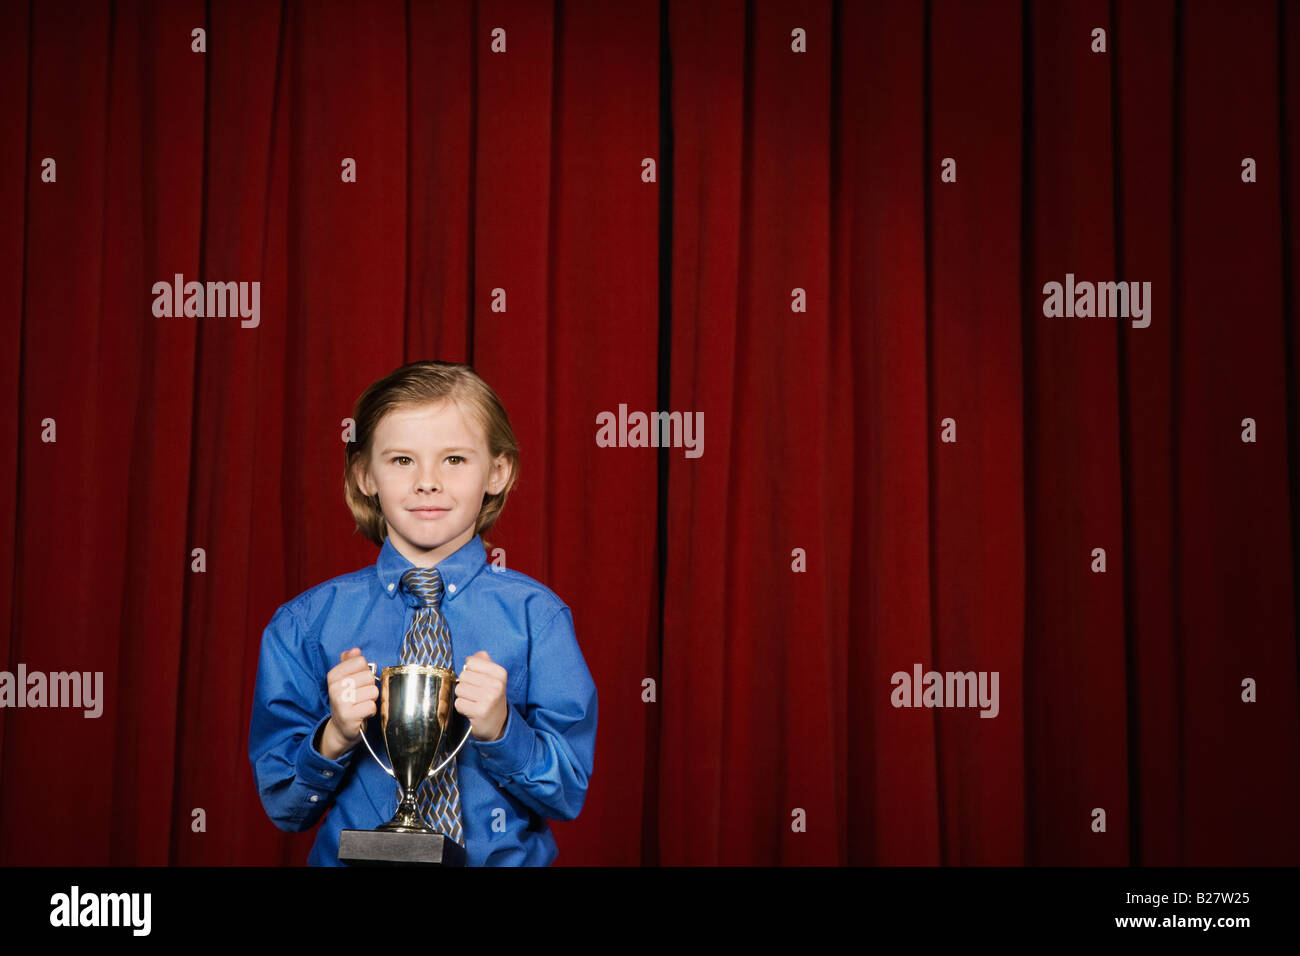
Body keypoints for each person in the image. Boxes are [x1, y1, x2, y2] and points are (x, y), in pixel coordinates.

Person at [248, 360, 597, 865]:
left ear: (497, 472)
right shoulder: (304, 624)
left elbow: (567, 793)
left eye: (454, 459)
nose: (428, 482)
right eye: (402, 460)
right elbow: (285, 807)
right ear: (365, 474)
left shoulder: (537, 617)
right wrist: (335, 735)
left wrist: (503, 730)